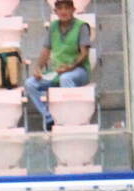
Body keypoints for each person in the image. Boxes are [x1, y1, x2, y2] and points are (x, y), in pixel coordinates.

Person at [23, 0, 91, 130]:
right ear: (55, 12)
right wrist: (38, 68)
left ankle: (71, 118)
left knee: (66, 78)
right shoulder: (53, 26)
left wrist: (70, 67)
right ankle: (50, 118)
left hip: (79, 71)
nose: (64, 11)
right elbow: (46, 51)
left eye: (67, 8)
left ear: (73, 9)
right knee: (30, 83)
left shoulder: (81, 26)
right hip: (57, 72)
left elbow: (84, 54)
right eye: (60, 9)